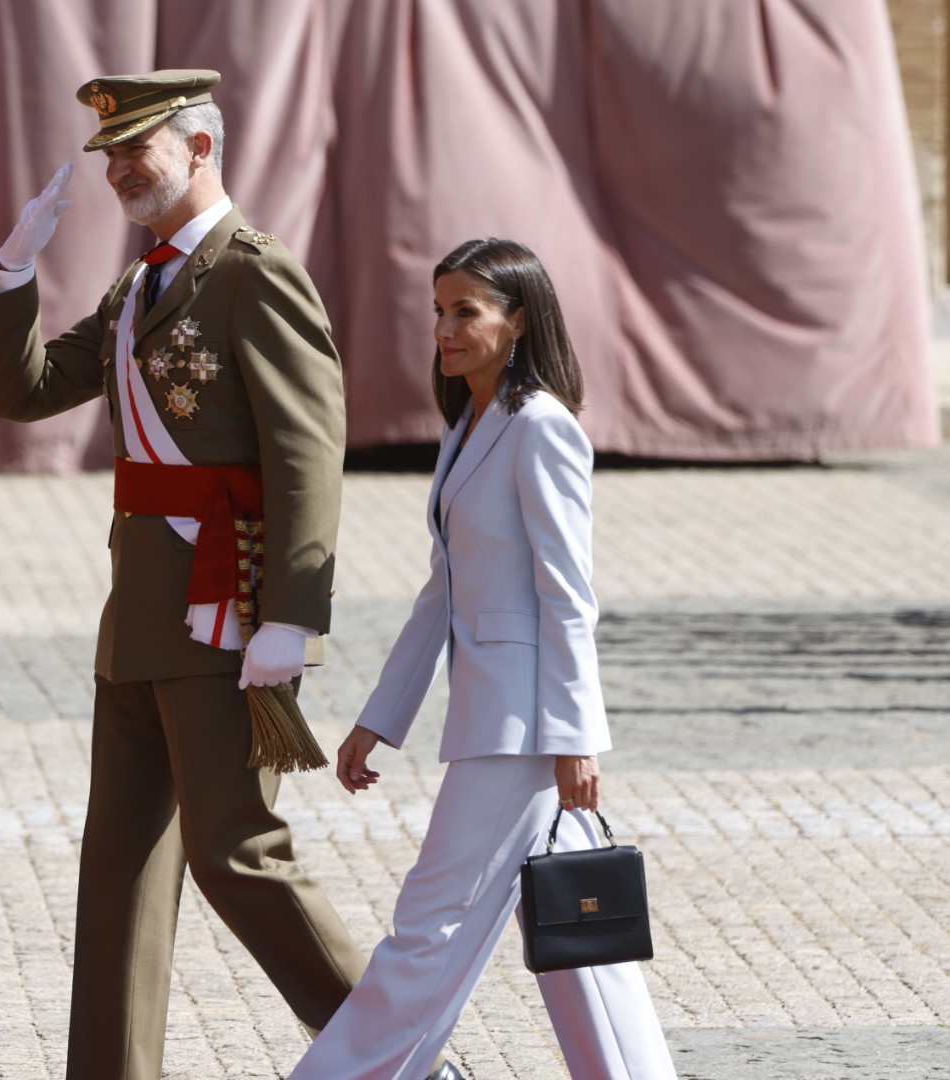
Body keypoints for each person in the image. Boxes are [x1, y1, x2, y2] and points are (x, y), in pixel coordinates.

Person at [0, 71, 461, 1080]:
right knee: (120, 874)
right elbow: (27, 394)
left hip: (223, 616)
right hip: (141, 621)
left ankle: (397, 1057)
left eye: (135, 151)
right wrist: (11, 273)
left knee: (237, 855)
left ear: (199, 149)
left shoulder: (254, 273)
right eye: (109, 154)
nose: (117, 171)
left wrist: (292, 619)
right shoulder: (140, 283)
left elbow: (305, 450)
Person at [287, 238, 677, 1079]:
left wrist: (578, 738)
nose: (445, 328)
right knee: (583, 947)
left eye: (467, 310)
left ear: (519, 320)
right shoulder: (468, 425)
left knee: (431, 926)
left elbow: (568, 596)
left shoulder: (541, 428)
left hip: (525, 729)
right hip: (498, 720)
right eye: (438, 310)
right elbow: (442, 591)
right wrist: (378, 720)